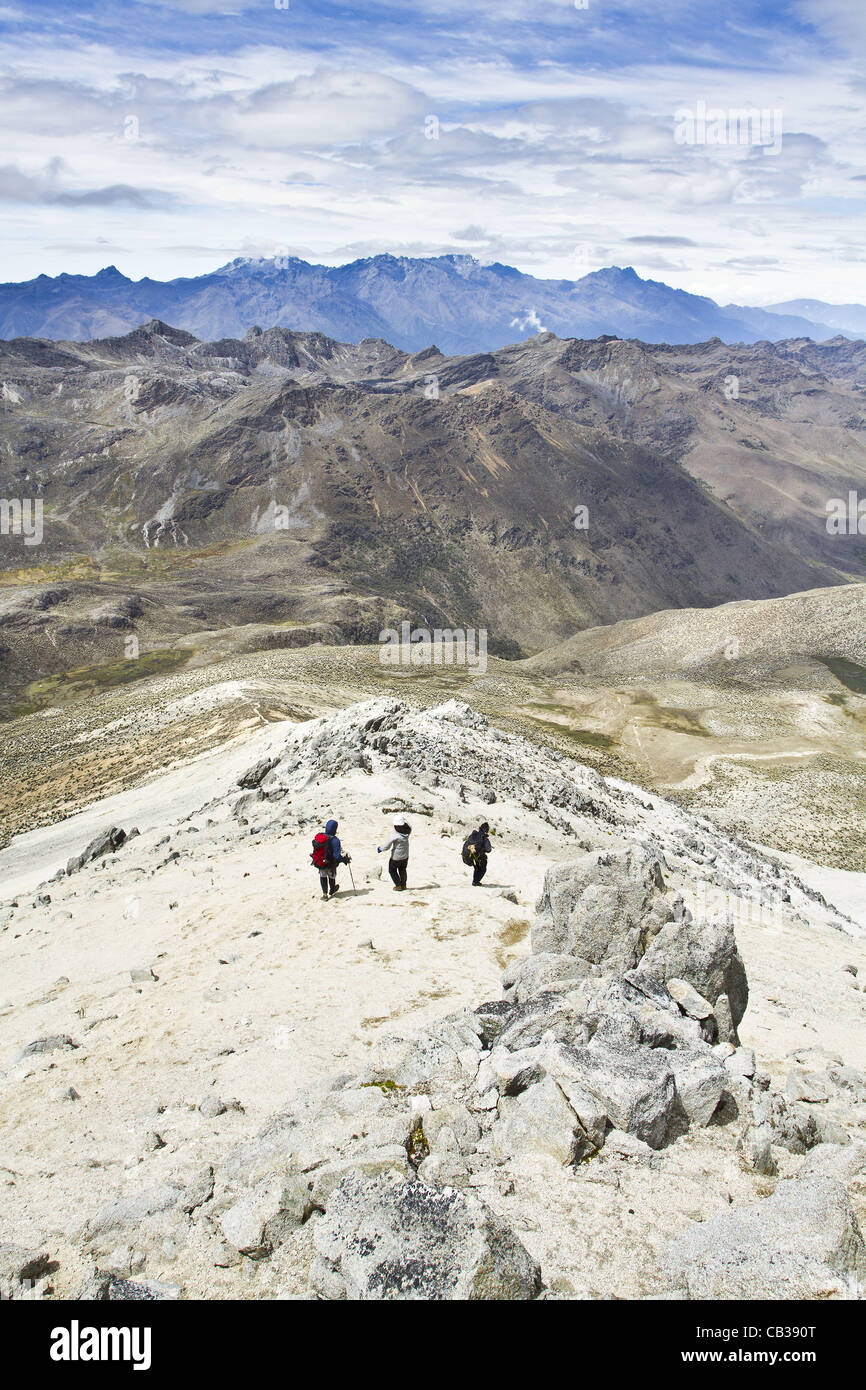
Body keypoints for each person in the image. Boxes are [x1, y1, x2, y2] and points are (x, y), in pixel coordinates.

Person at [311, 818, 351, 899]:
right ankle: (332, 889)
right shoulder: (335, 840)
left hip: (320, 862)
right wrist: (344, 860)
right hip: (330, 864)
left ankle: (325, 894)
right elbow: (337, 856)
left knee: (323, 876)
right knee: (331, 876)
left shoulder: (320, 837)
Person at [377, 820, 412, 890]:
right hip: (405, 856)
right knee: (402, 870)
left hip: (396, 857)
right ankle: (404, 885)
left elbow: (387, 846)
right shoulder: (407, 832)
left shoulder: (394, 835)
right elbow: (409, 825)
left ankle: (398, 885)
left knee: (392, 870)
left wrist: (380, 849)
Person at [464, 822, 492, 886]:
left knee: (477, 868)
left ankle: (475, 881)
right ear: (487, 830)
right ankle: (476, 881)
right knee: (482, 869)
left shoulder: (473, 835)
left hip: (471, 855)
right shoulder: (484, 838)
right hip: (479, 857)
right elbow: (489, 849)